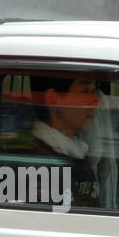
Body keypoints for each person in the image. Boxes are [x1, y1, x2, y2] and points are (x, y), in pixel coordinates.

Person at [28, 76, 102, 208]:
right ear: (53, 99)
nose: (95, 101)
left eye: (93, 91)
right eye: (85, 91)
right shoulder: (38, 165)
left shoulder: (75, 151)